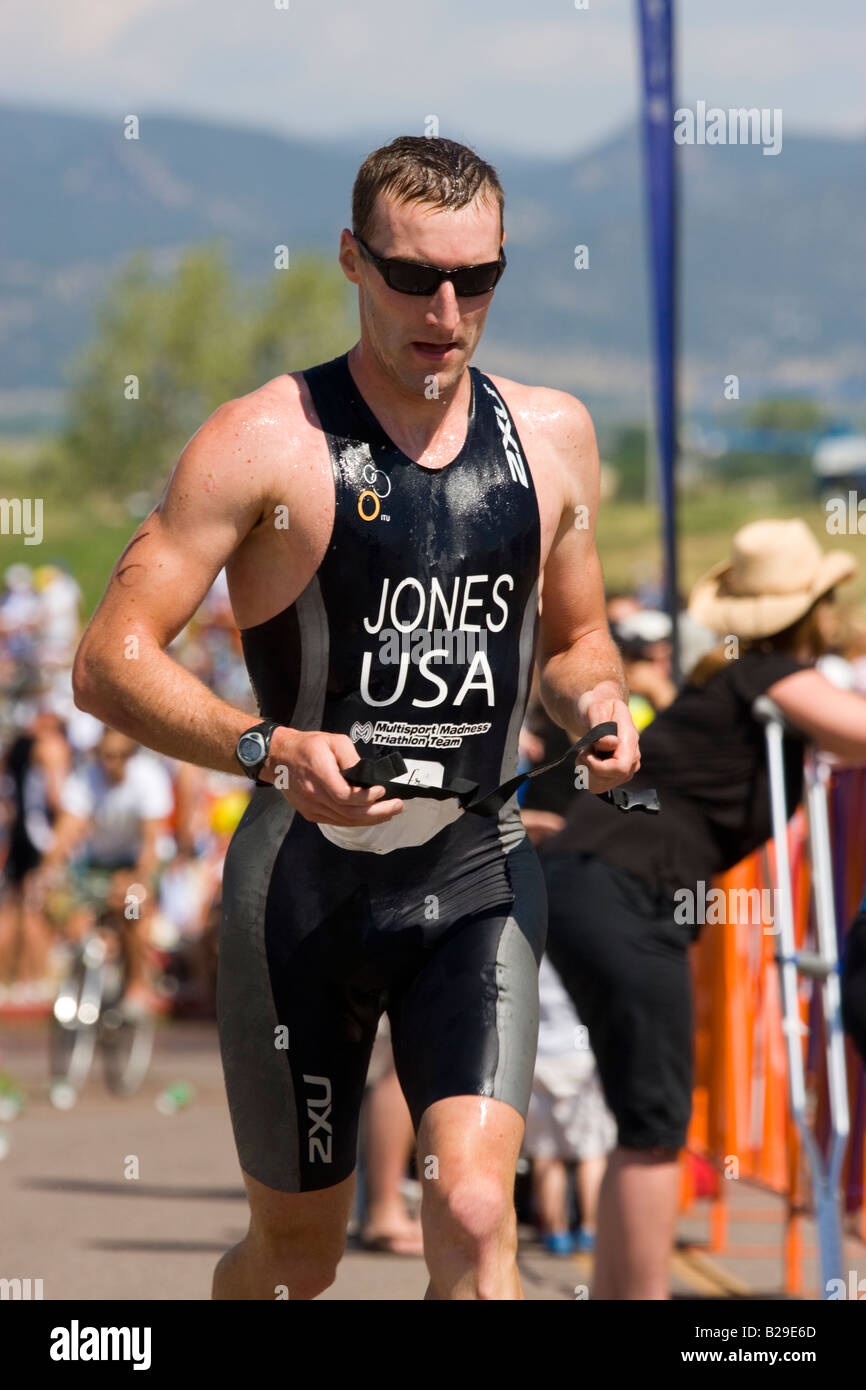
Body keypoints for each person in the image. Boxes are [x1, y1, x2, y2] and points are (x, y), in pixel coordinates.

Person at [72, 134, 640, 1301]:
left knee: (478, 1213)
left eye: (474, 279)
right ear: (349, 258)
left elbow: (579, 641)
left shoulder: (552, 437)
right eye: (411, 276)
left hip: (475, 870)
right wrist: (265, 748)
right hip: (303, 891)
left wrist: (598, 709)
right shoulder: (262, 441)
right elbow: (108, 659)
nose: (445, 308)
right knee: (296, 1261)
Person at [536, 517, 866, 1299]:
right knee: (654, 1127)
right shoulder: (767, 677)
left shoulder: (725, 678)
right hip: (624, 890)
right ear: (811, 611)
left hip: (590, 882)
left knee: (638, 1122)